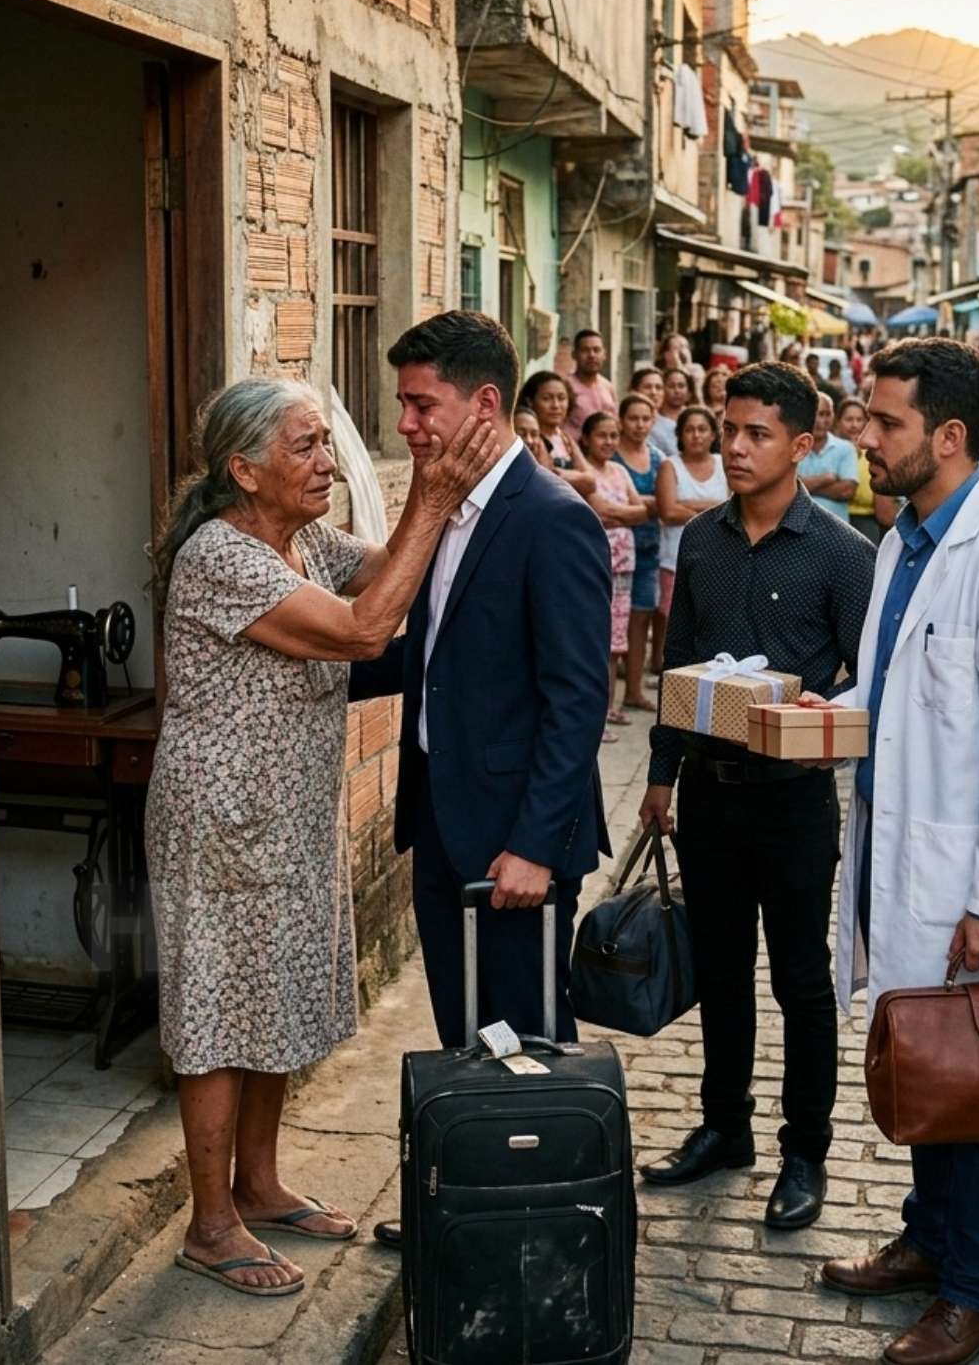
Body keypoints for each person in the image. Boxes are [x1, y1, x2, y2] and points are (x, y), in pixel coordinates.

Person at [146, 377, 496, 1295]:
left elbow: (385, 570)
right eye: (304, 447)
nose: (326, 462)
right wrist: (433, 497)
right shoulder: (223, 556)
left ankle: (256, 1186)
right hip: (219, 825)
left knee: (273, 995)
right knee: (217, 1013)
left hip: (286, 816)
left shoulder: (299, 540)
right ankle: (209, 1223)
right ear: (244, 470)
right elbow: (364, 628)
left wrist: (447, 525)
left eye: (324, 443)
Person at [822, 337, 979, 1365]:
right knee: (928, 1058)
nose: (865, 438)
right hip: (896, 855)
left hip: (969, 880)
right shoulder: (902, 543)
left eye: (886, 423)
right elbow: (890, 698)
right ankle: (930, 1243)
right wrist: (821, 713)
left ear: (950, 436)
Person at [349, 311, 612, 1151]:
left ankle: (536, 1218)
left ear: (485, 404)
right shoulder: (443, 509)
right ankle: (464, 1197)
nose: (405, 426)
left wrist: (536, 844)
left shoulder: (550, 517)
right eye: (402, 405)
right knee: (464, 1035)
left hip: (515, 841)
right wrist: (300, 671)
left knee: (527, 1043)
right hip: (441, 823)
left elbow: (579, 698)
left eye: (422, 405)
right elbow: (424, 657)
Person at [637, 364, 875, 1231]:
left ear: (803, 446)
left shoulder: (845, 555)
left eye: (757, 434)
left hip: (794, 806)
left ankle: (804, 1151)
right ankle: (722, 1128)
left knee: (802, 984)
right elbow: (677, 668)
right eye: (729, 430)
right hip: (709, 797)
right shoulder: (700, 539)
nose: (733, 447)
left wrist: (822, 723)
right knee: (723, 974)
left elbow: (867, 688)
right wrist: (661, 777)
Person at [582, 408, 647, 733]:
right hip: (595, 566)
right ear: (586, 438)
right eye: (601, 435)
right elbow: (599, 510)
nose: (608, 442)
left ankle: (609, 708)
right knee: (596, 641)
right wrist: (622, 514)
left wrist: (617, 516)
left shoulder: (620, 472)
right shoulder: (584, 473)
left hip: (625, 568)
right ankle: (596, 717)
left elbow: (642, 512)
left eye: (612, 436)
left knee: (616, 642)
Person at [655, 404, 727, 635]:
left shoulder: (724, 463)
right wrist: (714, 508)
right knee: (673, 626)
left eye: (702, 429)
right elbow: (668, 512)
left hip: (719, 558)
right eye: (689, 429)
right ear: (680, 434)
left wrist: (684, 504)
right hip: (674, 557)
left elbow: (735, 507)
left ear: (713, 434)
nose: (696, 435)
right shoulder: (669, 465)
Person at [614, 392, 664, 713]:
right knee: (613, 625)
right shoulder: (611, 458)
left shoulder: (658, 458)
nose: (639, 425)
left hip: (650, 548)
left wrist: (634, 505)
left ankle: (633, 690)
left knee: (641, 619)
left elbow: (666, 502)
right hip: (615, 552)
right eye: (633, 418)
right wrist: (647, 505)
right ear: (621, 420)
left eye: (646, 419)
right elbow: (658, 503)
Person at [518, 370, 596, 497]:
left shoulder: (565, 437)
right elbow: (547, 483)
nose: (556, 405)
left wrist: (565, 475)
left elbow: (592, 482)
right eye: (547, 398)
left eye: (561, 398)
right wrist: (580, 477)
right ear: (530, 401)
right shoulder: (532, 439)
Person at [835, 395, 896, 545]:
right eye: (849, 420)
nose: (854, 425)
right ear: (837, 421)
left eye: (859, 420)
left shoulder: (873, 455)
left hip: (866, 524)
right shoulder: (830, 452)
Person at [798, 390, 859, 519]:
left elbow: (847, 491)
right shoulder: (795, 446)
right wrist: (825, 479)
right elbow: (785, 488)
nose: (823, 421)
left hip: (835, 530)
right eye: (818, 414)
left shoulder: (845, 448)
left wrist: (802, 486)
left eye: (827, 415)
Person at [562, 328, 618, 440]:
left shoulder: (608, 387)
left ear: (604, 354)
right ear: (574, 355)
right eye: (585, 350)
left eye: (596, 350)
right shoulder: (565, 386)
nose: (591, 355)